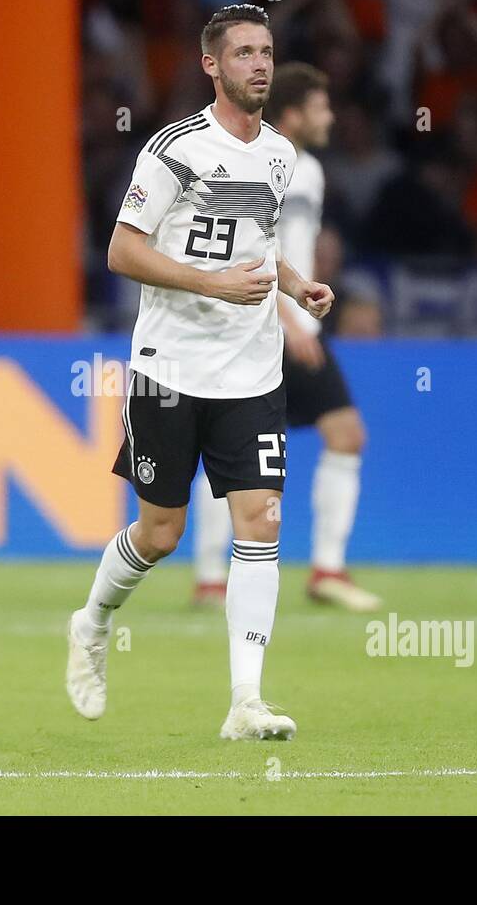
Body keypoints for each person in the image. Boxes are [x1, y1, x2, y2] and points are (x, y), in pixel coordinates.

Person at [64, 5, 334, 740]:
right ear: (211, 64)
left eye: (267, 52)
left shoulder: (281, 155)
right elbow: (122, 250)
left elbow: (257, 244)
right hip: (169, 368)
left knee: (261, 521)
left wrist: (294, 282)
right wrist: (210, 284)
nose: (259, 65)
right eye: (243, 53)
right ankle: (90, 624)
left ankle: (245, 701)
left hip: (251, 373)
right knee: (160, 532)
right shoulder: (173, 149)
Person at [191, 63, 379, 611]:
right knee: (231, 453)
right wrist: (289, 318)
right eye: (322, 107)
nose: (331, 116)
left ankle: (325, 570)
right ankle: (210, 578)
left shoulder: (310, 171)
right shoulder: (253, 164)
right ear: (295, 113)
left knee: (345, 434)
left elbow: (291, 245)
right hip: (259, 325)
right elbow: (241, 248)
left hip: (297, 325)